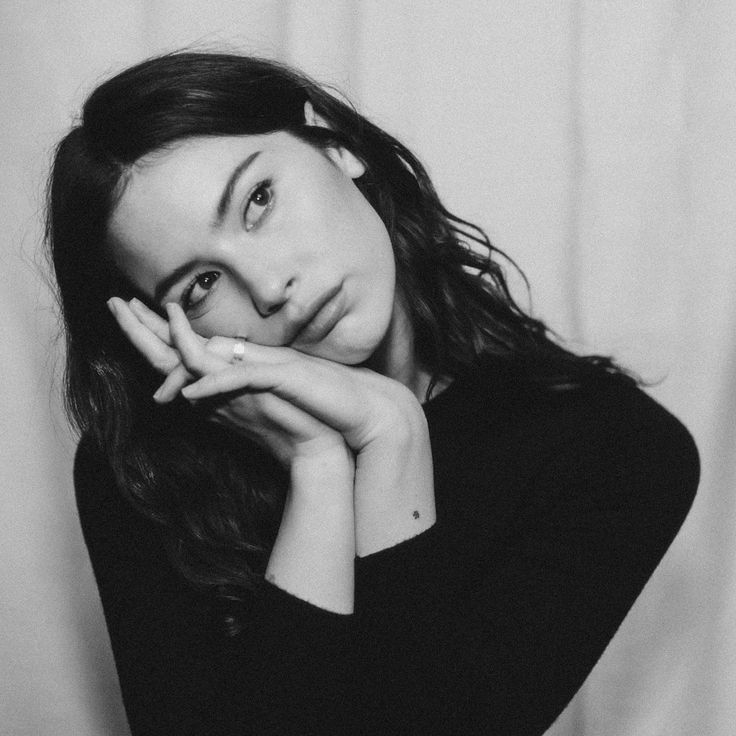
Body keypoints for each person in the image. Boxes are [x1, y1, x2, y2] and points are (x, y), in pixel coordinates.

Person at [46, 51, 699, 736]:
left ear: (332, 140)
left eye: (258, 200)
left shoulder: (616, 450)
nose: (271, 288)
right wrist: (320, 468)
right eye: (200, 285)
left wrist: (394, 440)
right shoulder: (143, 473)